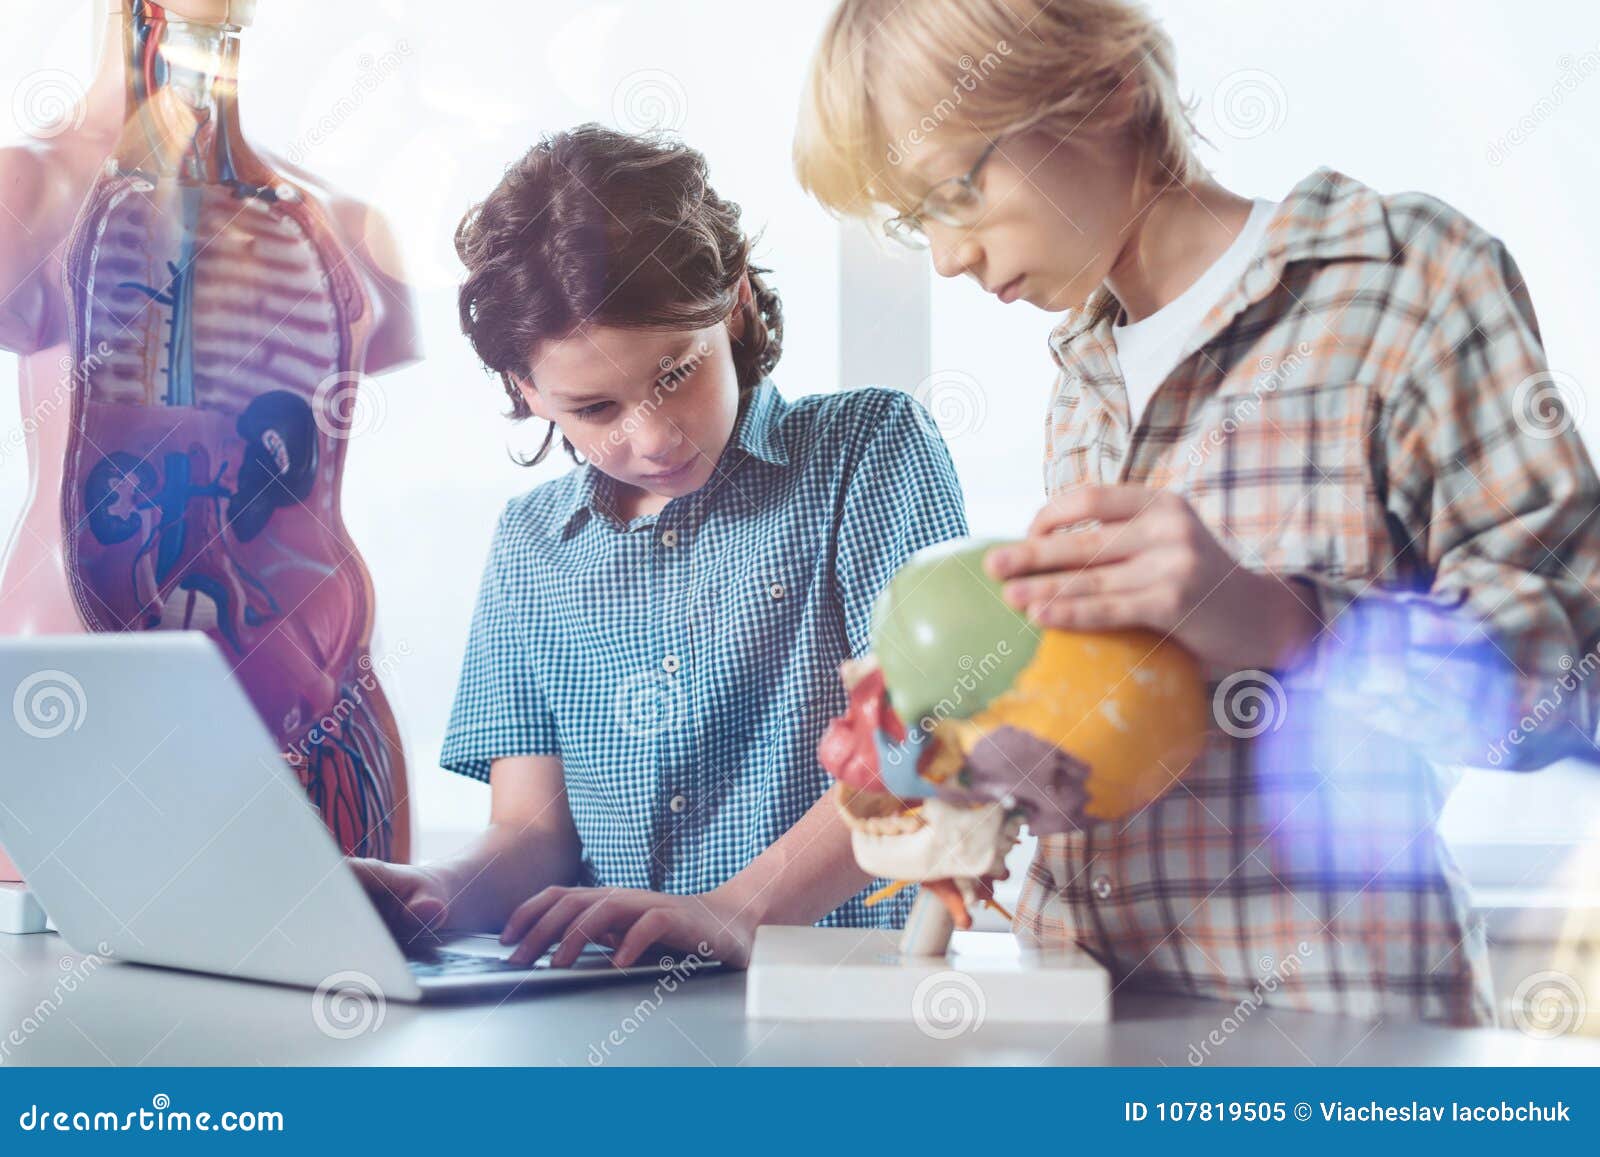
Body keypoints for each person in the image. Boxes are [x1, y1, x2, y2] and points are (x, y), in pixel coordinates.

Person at [793, 0, 1600, 1023]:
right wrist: (974, 737)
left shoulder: (1406, 281)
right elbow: (1130, 721)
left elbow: (1573, 684)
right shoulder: (1081, 378)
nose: (948, 256)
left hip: (1331, 1035)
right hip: (1077, 1020)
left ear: (1103, 88)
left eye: (959, 190)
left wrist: (1289, 625)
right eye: (919, 221)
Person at [351, 125, 967, 969]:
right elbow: (532, 834)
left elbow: (929, 732)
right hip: (604, 1004)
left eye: (676, 373)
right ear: (529, 391)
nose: (654, 437)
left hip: (832, 992)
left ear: (735, 302)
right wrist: (438, 889)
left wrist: (735, 910)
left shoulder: (868, 449)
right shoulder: (531, 543)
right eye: (596, 409)